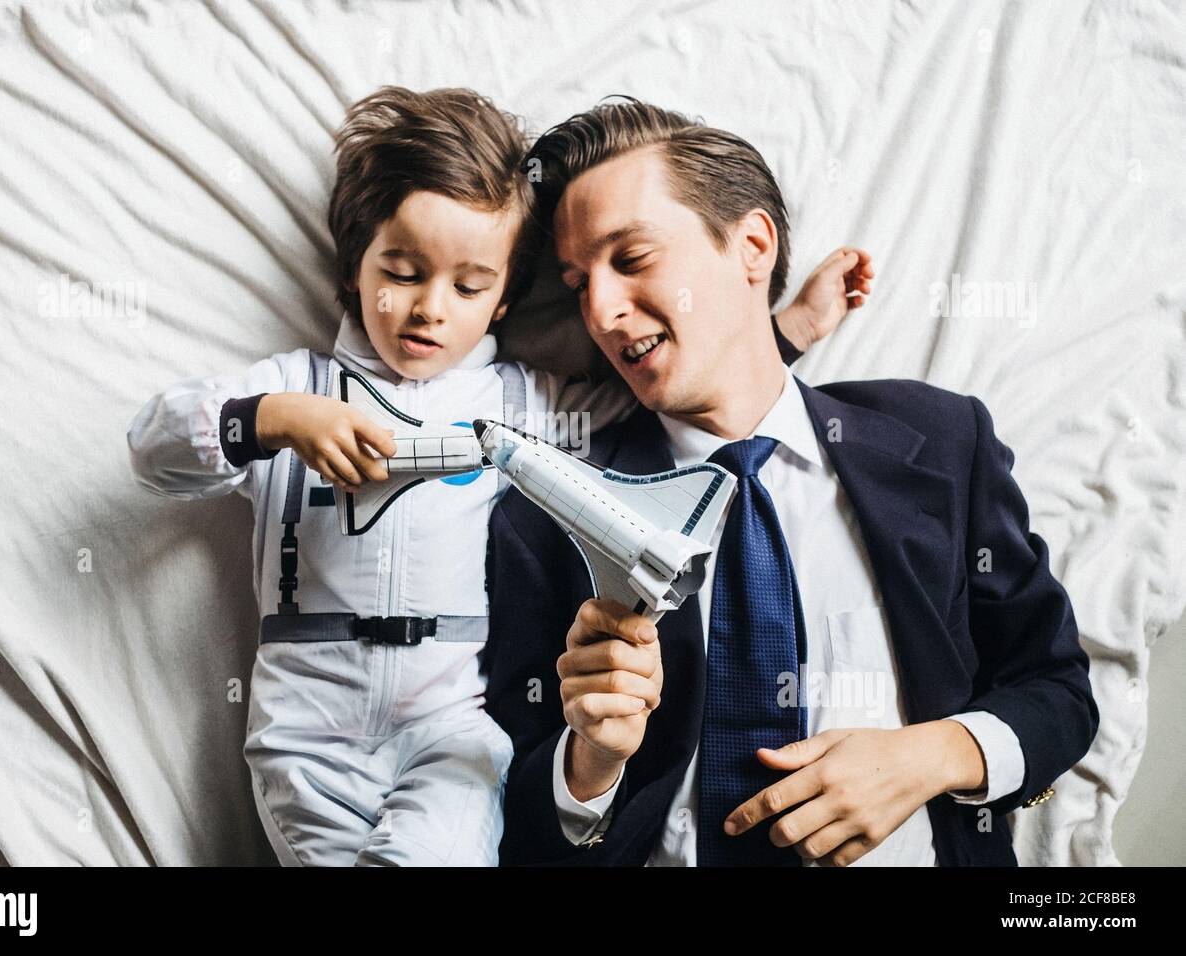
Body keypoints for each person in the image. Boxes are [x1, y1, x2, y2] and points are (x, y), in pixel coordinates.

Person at [126, 87, 864, 866]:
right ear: (352, 270)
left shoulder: (524, 402)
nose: (429, 309)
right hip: (308, 724)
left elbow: (667, 391)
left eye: (468, 287)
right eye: (401, 273)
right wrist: (272, 418)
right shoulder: (290, 384)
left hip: (452, 726)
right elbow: (154, 449)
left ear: (506, 297)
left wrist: (788, 332)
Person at [483, 98, 1099, 867]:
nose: (602, 311)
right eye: (578, 283)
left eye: (632, 259)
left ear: (753, 245)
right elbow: (508, 820)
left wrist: (934, 755)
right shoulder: (545, 512)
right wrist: (590, 765)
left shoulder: (941, 443)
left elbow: (1057, 691)